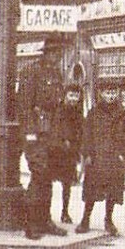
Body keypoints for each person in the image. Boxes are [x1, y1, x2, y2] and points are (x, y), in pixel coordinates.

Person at [77, 85, 125, 235]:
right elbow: (86, 135)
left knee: (113, 192)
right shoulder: (94, 113)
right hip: (97, 158)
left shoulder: (123, 114)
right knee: (91, 191)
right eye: (108, 93)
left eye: (114, 92)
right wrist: (87, 154)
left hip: (115, 158)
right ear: (101, 94)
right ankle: (85, 219)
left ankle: (108, 220)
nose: (111, 96)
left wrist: (123, 154)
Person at [51, 85, 85, 227]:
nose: (73, 99)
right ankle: (46, 212)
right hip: (57, 152)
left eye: (76, 96)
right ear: (65, 95)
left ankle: (64, 211)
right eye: (71, 95)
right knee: (49, 182)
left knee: (67, 184)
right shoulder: (59, 110)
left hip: (70, 152)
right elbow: (56, 128)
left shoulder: (78, 112)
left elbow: (81, 130)